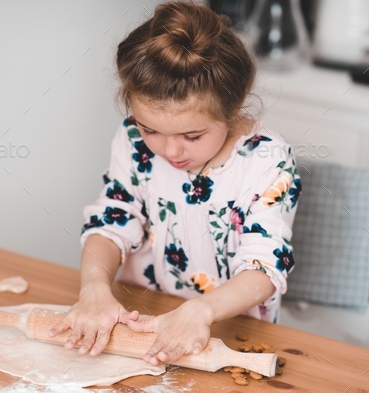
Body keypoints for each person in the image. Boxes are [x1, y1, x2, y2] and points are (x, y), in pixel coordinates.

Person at [49, 0, 301, 367]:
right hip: (141, 317)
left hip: (230, 331)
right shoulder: (133, 141)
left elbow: (265, 266)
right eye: (149, 129)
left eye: (192, 136)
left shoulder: (267, 161)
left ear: (232, 109)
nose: (169, 150)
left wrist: (200, 312)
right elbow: (111, 219)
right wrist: (94, 290)